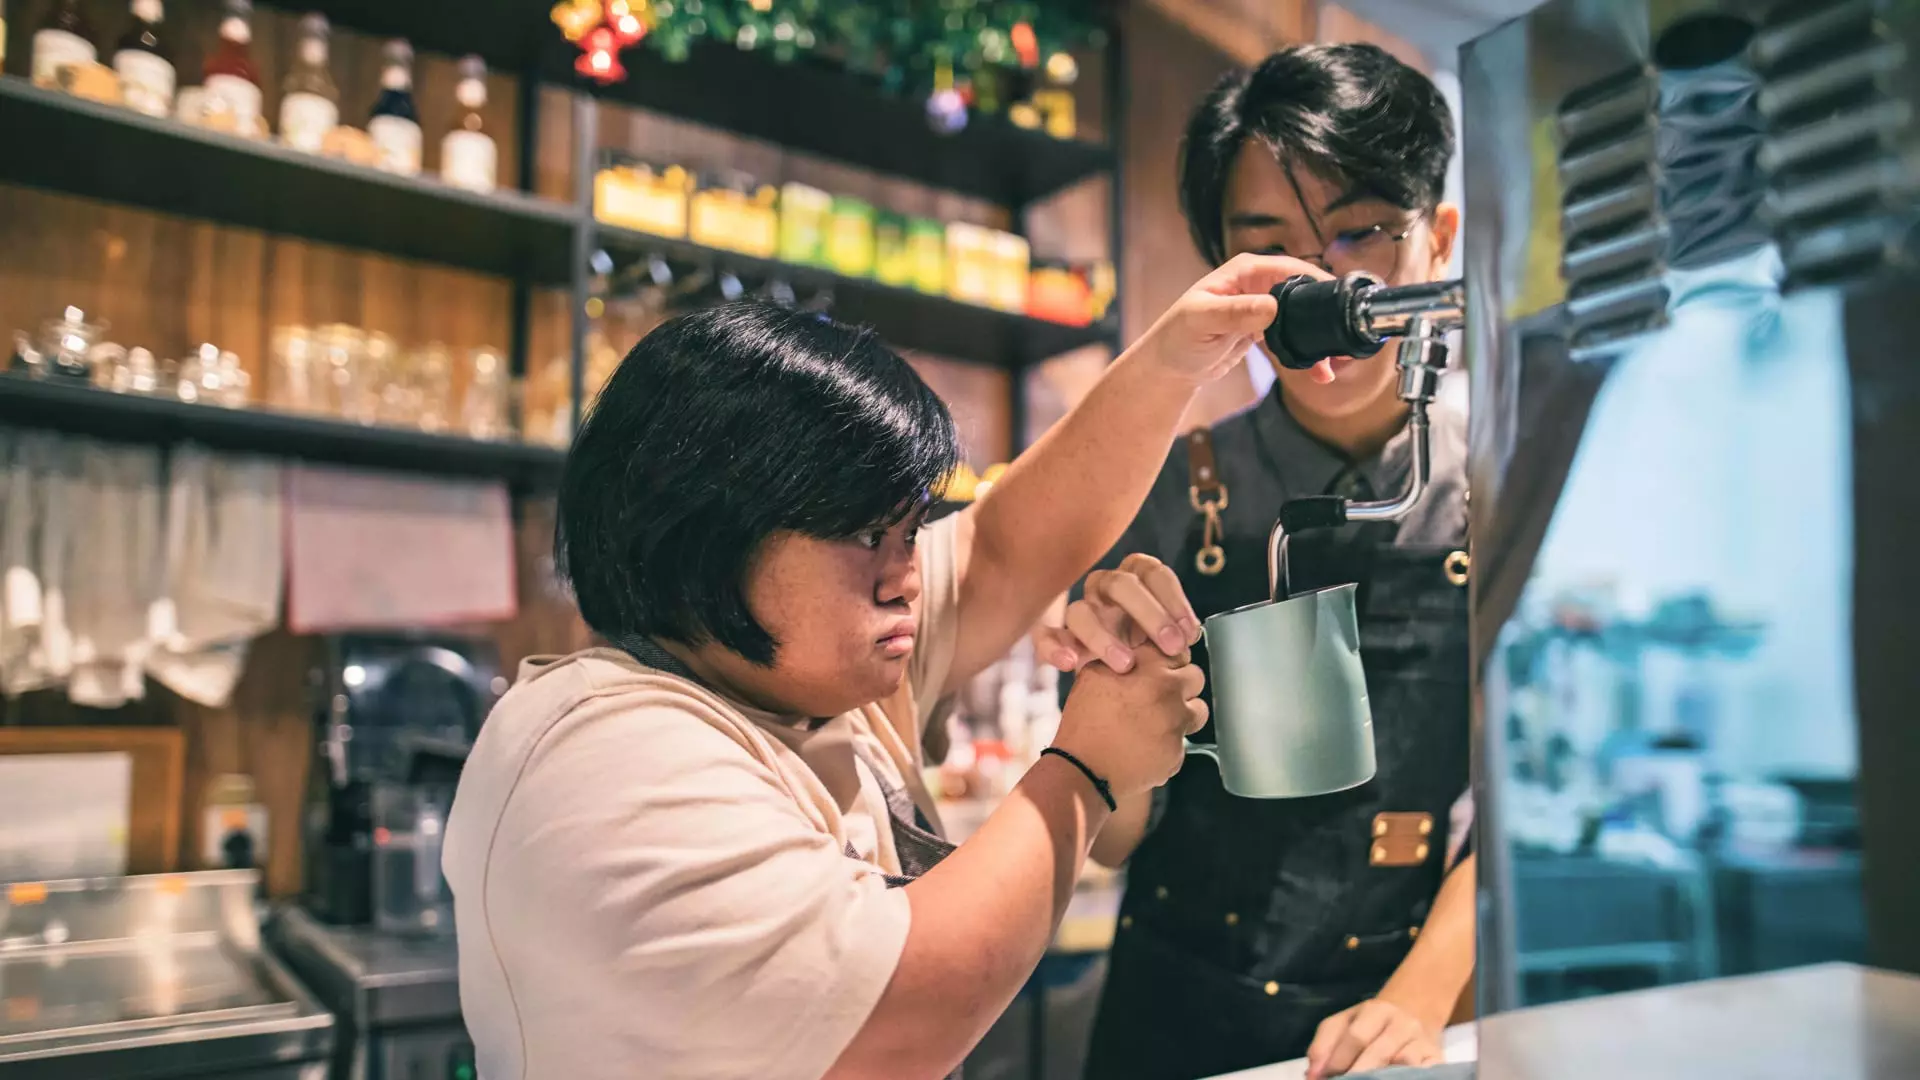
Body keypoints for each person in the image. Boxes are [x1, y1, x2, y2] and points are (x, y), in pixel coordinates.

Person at [442, 255, 1327, 1080]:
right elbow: (897, 1018)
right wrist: (1090, 769)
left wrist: (1174, 360)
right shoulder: (605, 759)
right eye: (869, 535)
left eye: (909, 532)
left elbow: (1004, 549)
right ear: (707, 531)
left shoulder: (799, 666)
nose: (907, 574)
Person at [1038, 44, 1475, 1080]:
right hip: (1170, 1013)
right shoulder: (1165, 486)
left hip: (1388, 1022)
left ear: (1439, 239)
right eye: (1271, 251)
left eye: (1360, 232)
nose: (1322, 285)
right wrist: (1117, 702)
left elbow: (1522, 802)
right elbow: (1110, 837)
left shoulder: (1491, 498)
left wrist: (1416, 1001)